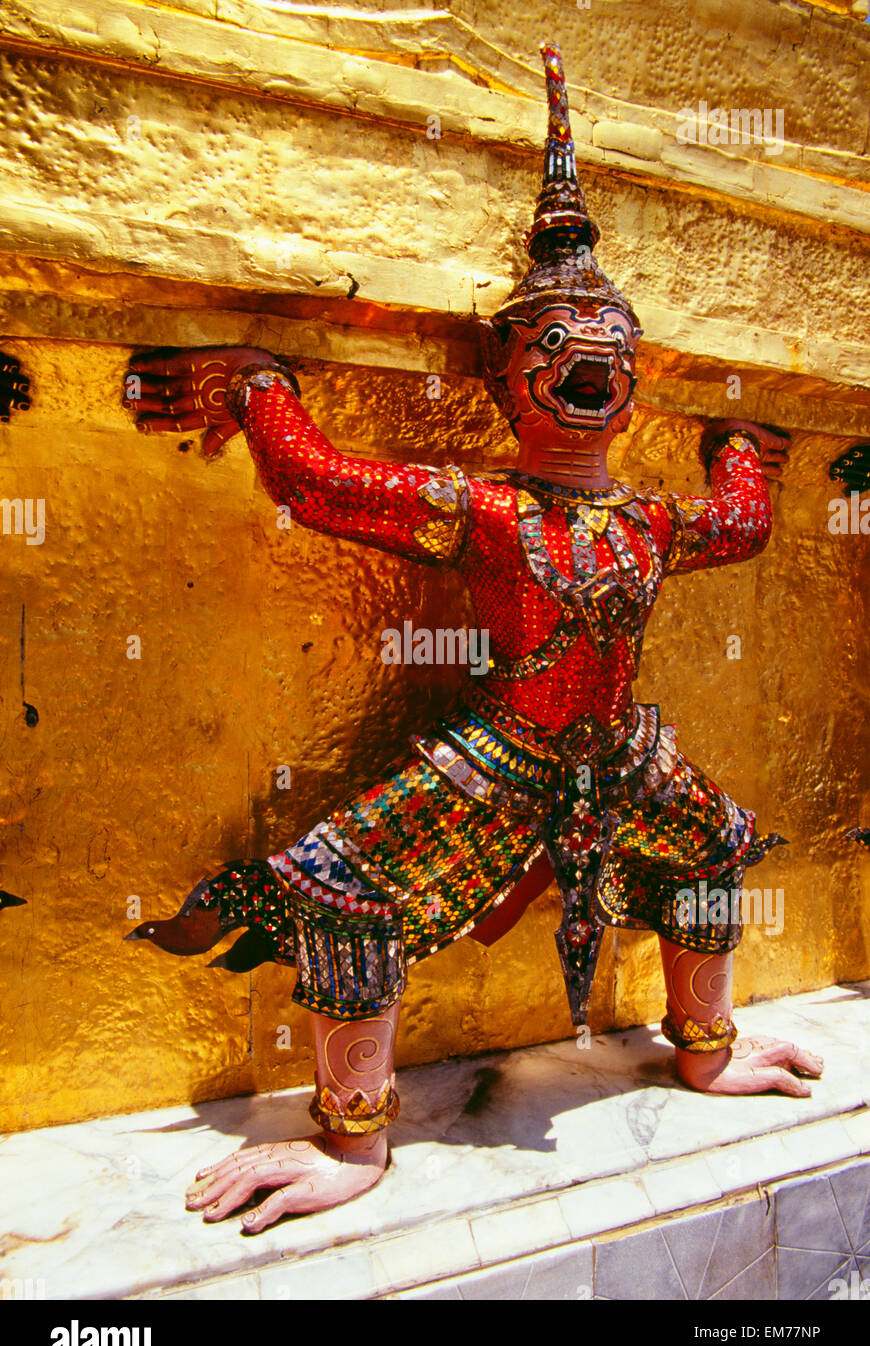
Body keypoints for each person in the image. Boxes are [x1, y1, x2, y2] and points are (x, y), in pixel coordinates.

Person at [125, 43, 823, 1234]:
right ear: (511, 377)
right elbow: (321, 485)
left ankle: (703, 1043)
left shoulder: (649, 517)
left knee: (711, 845)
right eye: (556, 343)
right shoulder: (485, 508)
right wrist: (258, 386)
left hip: (623, 750)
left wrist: (746, 441)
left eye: (608, 344)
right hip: (501, 758)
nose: (585, 358)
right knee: (344, 885)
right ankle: (352, 1139)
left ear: (635, 377)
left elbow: (746, 527)